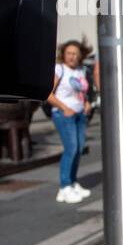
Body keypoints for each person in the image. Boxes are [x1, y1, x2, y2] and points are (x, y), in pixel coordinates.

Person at [46, 40, 93, 204]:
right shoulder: (59, 69)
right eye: (69, 53)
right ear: (63, 55)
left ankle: (72, 182)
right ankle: (64, 186)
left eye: (75, 54)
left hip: (80, 114)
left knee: (79, 148)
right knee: (71, 148)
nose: (72, 57)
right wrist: (64, 108)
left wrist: (86, 103)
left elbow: (81, 92)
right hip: (63, 115)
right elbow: (48, 93)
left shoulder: (81, 70)